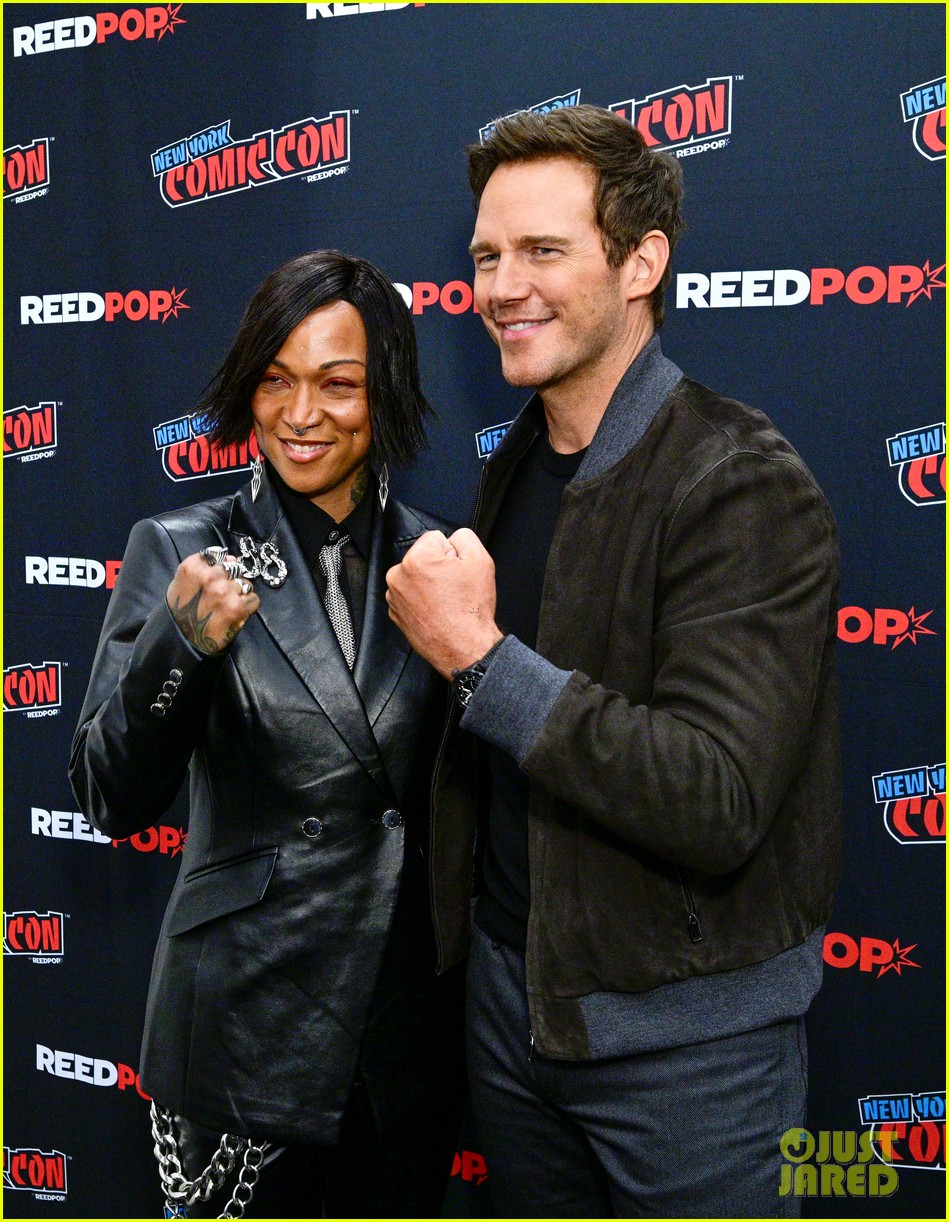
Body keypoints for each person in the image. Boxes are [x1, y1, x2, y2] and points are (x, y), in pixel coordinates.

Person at [385, 106, 841, 1218]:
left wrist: (477, 658)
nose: (502, 288)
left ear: (641, 264)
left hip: (690, 1056)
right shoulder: (521, 463)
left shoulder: (738, 478)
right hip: (514, 1015)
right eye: (486, 256)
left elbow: (716, 795)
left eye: (543, 250)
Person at [70, 250, 464, 1218]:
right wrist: (180, 646)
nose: (300, 413)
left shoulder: (439, 562)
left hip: (400, 1048)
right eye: (276, 380)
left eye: (338, 384)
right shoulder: (179, 548)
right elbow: (109, 795)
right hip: (243, 1038)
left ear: (385, 392)